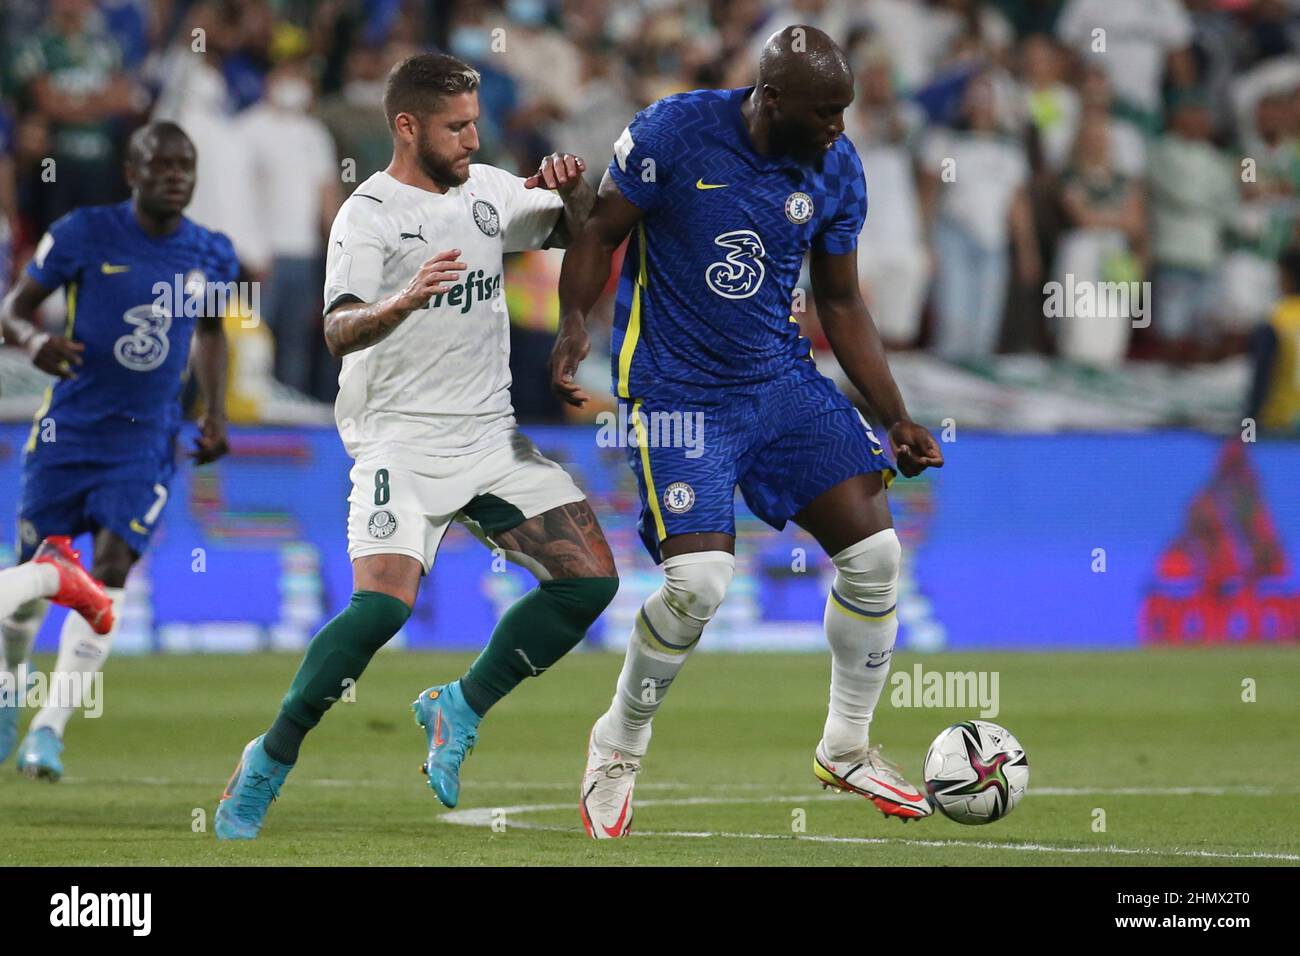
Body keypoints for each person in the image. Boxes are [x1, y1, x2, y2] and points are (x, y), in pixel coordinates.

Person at [214, 53, 619, 841]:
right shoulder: (368, 215)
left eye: (475, 123)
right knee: (382, 608)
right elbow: (336, 329)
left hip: (489, 434)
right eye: (456, 127)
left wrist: (573, 187)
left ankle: (458, 706)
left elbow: (582, 232)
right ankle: (269, 755)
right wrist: (405, 298)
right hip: (398, 438)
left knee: (589, 583)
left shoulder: (491, 193)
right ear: (407, 126)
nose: (473, 139)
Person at [552, 26, 944, 839]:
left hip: (778, 382)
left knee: (875, 557)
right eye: (825, 111)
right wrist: (570, 325)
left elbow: (840, 301)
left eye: (845, 109)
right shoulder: (674, 132)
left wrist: (894, 413)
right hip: (676, 389)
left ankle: (847, 746)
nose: (840, 125)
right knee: (698, 588)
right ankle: (618, 743)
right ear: (771, 100)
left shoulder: (836, 167)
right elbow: (599, 230)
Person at [0, 121, 236, 780]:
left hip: (146, 440)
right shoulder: (83, 232)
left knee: (108, 569)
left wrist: (212, 412)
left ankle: (49, 730)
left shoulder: (212, 252)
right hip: (67, 436)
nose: (175, 175)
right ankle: (9, 686)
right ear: (131, 173)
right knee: (28, 592)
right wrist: (32, 341)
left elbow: (214, 332)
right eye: (159, 164)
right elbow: (13, 308)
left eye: (184, 164)